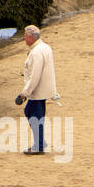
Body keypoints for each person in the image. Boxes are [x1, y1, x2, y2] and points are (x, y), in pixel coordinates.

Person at [15, 25, 57, 155]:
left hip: (38, 91)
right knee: (34, 114)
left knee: (34, 115)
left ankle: (39, 146)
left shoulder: (37, 52)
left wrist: (24, 94)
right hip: (43, 89)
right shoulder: (45, 47)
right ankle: (40, 142)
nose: (24, 38)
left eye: (25, 36)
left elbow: (35, 75)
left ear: (31, 37)